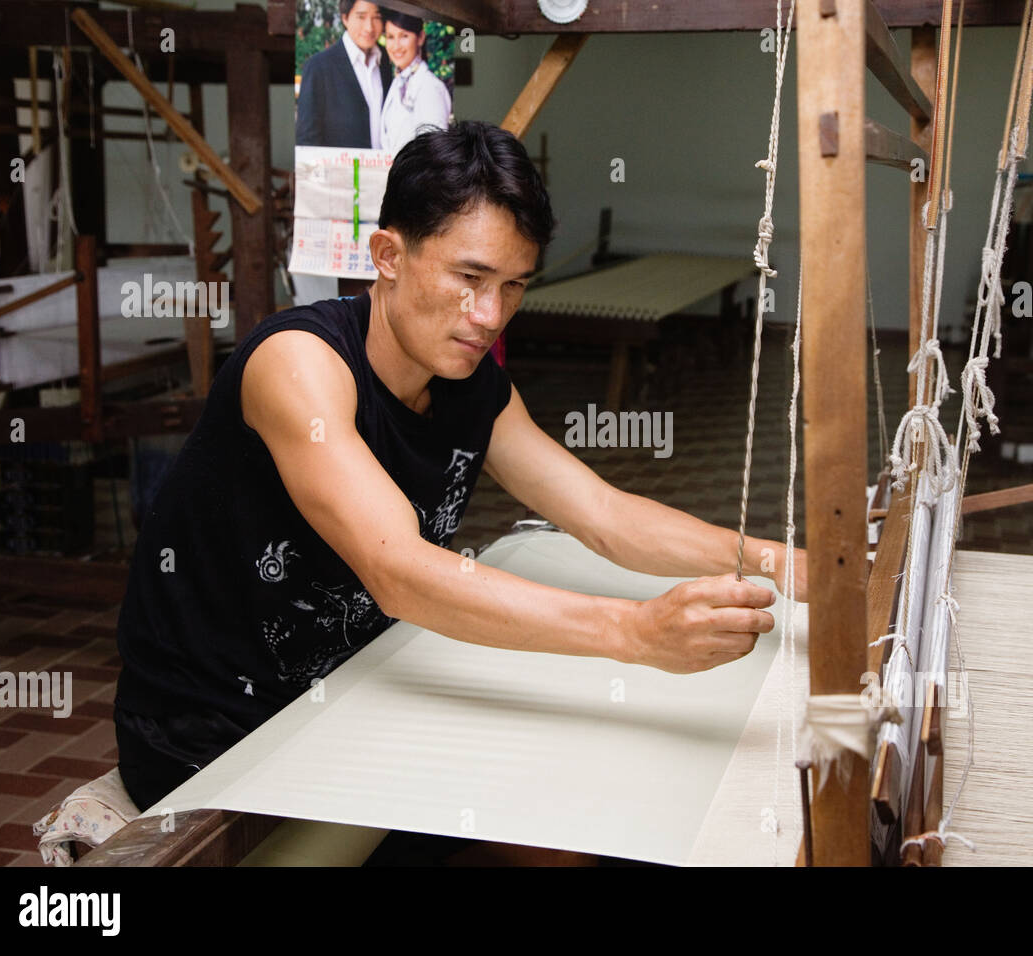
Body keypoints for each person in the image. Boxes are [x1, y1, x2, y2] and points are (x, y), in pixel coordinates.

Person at [113, 120, 808, 859]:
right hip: (214, 732)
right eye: (468, 278)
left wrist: (778, 564)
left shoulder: (471, 387)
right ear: (388, 255)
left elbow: (601, 513)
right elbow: (399, 573)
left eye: (512, 287)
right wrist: (634, 633)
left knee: (577, 819)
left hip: (355, 693)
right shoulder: (300, 366)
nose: (489, 316)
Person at [296, 0, 389, 148]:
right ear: (345, 18)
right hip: (339, 169)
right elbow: (307, 140)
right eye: (361, 16)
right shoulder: (318, 67)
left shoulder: (386, 61)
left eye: (376, 17)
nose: (369, 27)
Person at [379, 11, 452, 157]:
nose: (396, 46)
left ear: (420, 38)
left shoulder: (429, 87)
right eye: (390, 37)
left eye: (404, 36)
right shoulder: (398, 82)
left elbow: (434, 154)